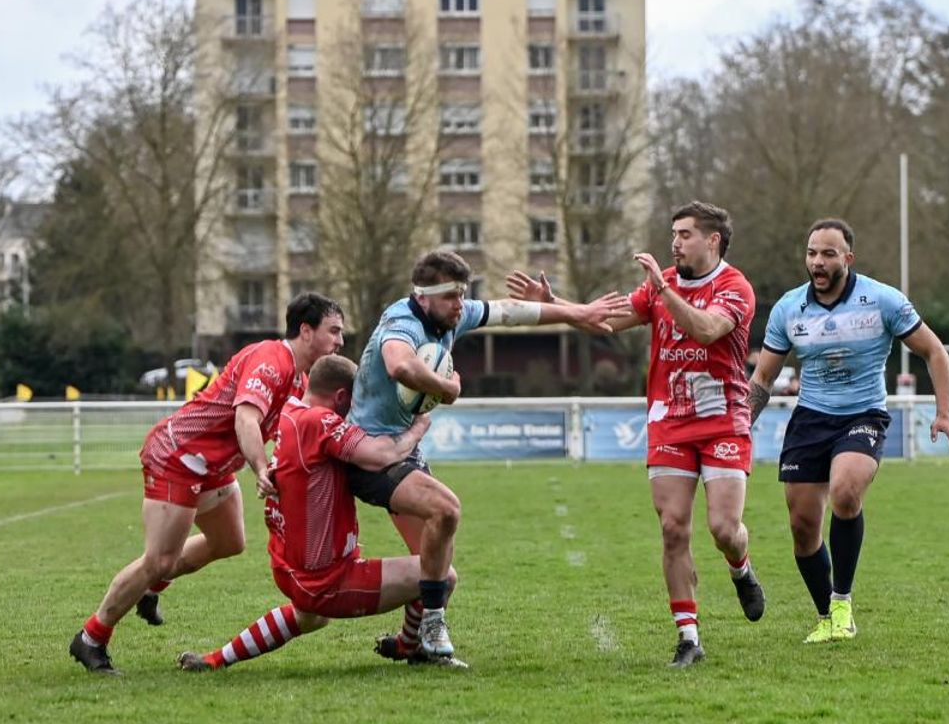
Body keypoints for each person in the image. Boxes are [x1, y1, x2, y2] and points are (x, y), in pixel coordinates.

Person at [508, 201, 765, 669]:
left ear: (713, 240)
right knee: (673, 528)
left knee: (724, 530)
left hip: (723, 420)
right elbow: (605, 319)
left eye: (685, 234)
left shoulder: (734, 287)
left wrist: (664, 291)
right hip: (670, 420)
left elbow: (707, 330)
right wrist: (555, 304)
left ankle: (741, 566)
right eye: (673, 234)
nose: (675, 243)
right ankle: (688, 637)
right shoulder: (659, 284)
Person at [349, 249, 630, 664]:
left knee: (440, 573)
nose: (459, 304)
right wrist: (447, 389)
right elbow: (399, 366)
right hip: (370, 454)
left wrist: (578, 312)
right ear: (422, 296)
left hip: (403, 449)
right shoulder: (401, 321)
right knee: (446, 509)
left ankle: (412, 645)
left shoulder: (452, 314)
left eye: (463, 294)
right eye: (451, 296)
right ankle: (433, 625)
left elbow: (511, 312)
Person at [69, 292, 346, 675]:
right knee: (159, 560)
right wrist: (261, 468)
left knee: (229, 541)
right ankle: (91, 637)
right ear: (306, 330)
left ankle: (151, 587)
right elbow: (246, 419)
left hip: (212, 466)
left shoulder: (299, 378)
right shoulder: (271, 360)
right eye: (334, 331)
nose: (340, 341)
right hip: (179, 456)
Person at [748, 218, 949, 644]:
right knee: (803, 527)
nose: (818, 261)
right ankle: (827, 617)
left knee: (846, 491)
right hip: (810, 419)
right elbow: (763, 378)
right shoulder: (788, 308)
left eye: (828, 254)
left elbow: (934, 351)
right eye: (812, 252)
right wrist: (740, 426)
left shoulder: (883, 300)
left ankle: (842, 601)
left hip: (862, 415)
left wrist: (944, 412)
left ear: (848, 258)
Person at [176, 355, 451, 671]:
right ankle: (409, 645)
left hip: (289, 567)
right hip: (327, 579)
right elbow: (382, 455)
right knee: (441, 575)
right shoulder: (321, 422)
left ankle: (213, 660)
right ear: (341, 397)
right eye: (355, 400)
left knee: (310, 617)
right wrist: (418, 427)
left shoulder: (291, 412)